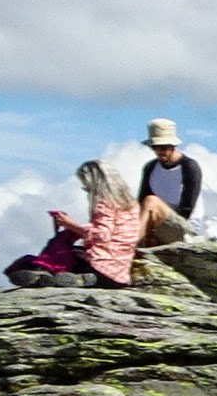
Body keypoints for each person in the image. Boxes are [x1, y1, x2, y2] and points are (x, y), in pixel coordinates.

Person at [14, 160, 143, 288]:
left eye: (86, 185)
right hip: (120, 273)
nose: (86, 189)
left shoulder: (104, 203)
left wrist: (69, 224)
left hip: (99, 265)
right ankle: (86, 279)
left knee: (62, 251)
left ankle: (43, 273)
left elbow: (102, 235)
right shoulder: (131, 205)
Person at [136, 118, 202, 248]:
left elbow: (187, 209)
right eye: (156, 147)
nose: (160, 152)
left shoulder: (189, 167)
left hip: (186, 228)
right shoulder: (150, 168)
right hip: (156, 226)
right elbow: (140, 202)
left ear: (173, 146)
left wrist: (159, 213)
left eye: (164, 147)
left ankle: (128, 245)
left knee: (151, 202)